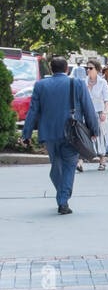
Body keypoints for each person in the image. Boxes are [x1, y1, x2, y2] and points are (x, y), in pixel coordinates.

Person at [21, 55, 99, 215]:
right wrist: (94, 129)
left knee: (56, 164)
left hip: (49, 133)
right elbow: (88, 107)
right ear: (66, 69)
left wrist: (26, 133)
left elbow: (33, 111)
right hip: (72, 132)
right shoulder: (77, 83)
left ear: (51, 69)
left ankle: (62, 194)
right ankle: (63, 200)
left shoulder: (40, 85)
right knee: (69, 166)